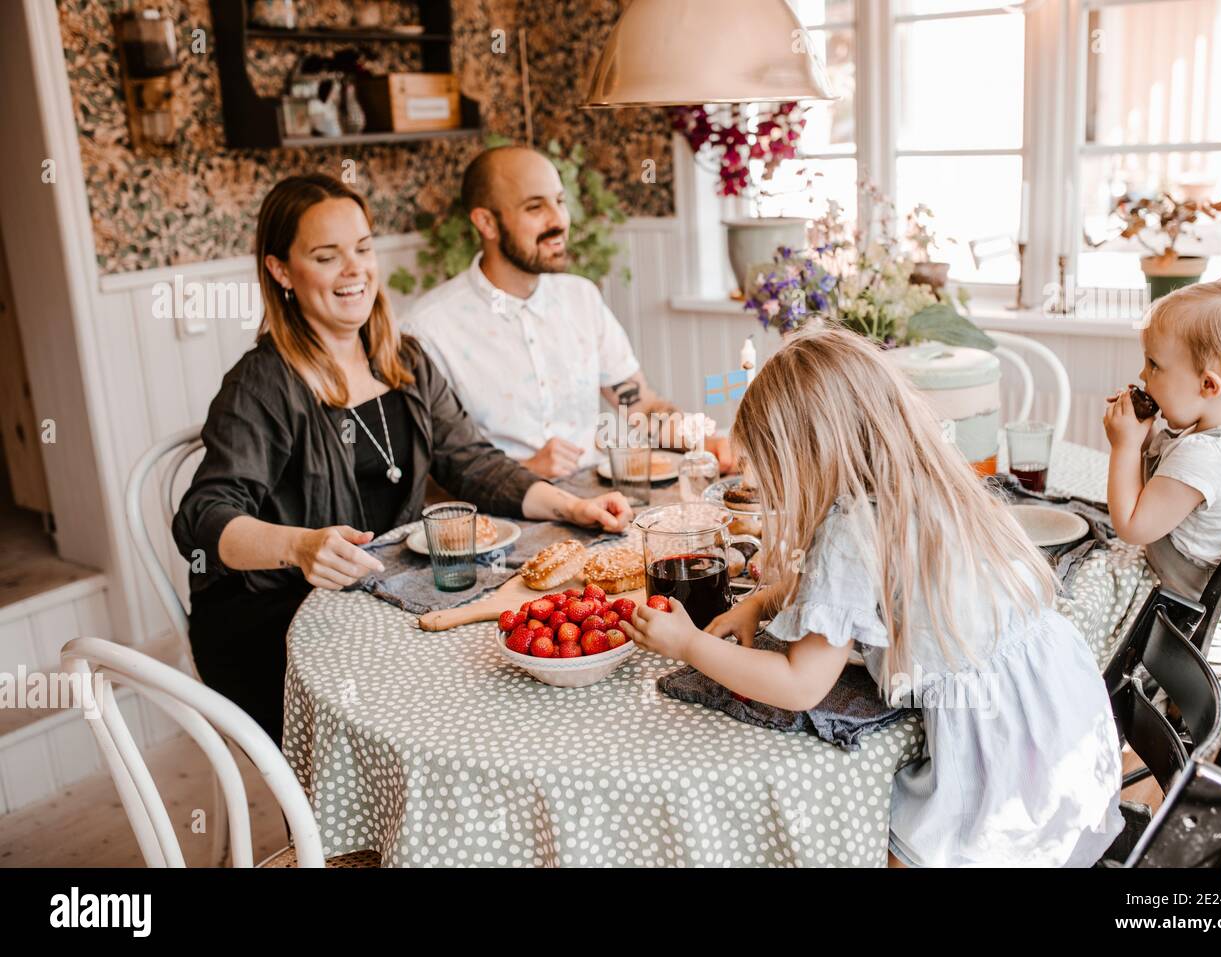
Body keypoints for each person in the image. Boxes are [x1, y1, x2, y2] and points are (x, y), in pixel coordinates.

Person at [621, 326, 1124, 867]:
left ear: (807, 457)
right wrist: (759, 603)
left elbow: (801, 685)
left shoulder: (849, 527)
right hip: (1069, 729)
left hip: (1006, 772)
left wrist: (688, 646)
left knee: (871, 840)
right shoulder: (926, 475)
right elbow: (861, 583)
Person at [173, 173, 630, 744]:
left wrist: (573, 506)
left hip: (386, 597)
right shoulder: (262, 384)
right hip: (276, 619)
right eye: (326, 256)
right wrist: (299, 546)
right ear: (281, 271)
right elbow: (202, 517)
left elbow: (471, 461)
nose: (354, 271)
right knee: (448, 714)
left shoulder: (402, 359)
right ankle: (352, 832)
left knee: (505, 680)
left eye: (362, 249)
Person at [402, 145, 734, 479]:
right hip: (501, 520)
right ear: (486, 222)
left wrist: (705, 439)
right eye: (535, 207)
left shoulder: (581, 298)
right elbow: (427, 468)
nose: (558, 220)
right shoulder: (429, 328)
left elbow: (640, 407)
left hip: (599, 500)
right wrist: (522, 470)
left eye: (560, 202)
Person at [1105, 276, 1221, 714]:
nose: (1142, 375)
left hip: (1193, 645)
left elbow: (1132, 526)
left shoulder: (1207, 460)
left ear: (1209, 385)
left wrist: (1125, 446)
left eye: (1154, 364)